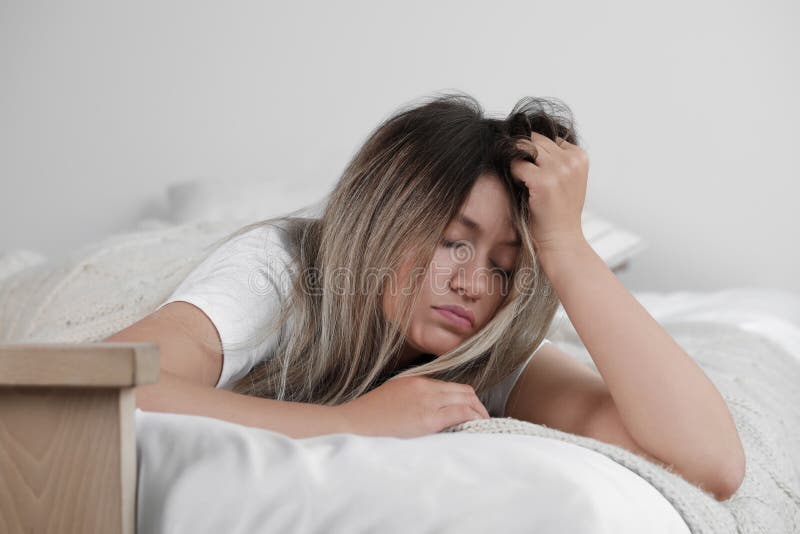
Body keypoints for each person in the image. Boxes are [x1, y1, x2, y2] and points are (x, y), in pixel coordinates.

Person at [106, 91, 745, 500]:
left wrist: (567, 247)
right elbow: (111, 386)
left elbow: (711, 463)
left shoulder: (483, 342)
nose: (473, 285)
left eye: (505, 267)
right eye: (451, 242)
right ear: (383, 221)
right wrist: (347, 424)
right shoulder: (277, 273)